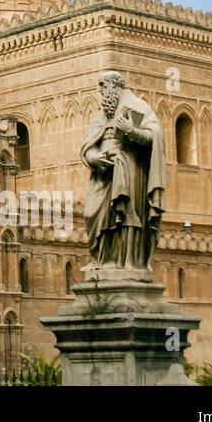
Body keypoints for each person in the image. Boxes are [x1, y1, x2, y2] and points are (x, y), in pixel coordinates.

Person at [80, 71, 166, 273]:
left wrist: (130, 130)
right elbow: (89, 146)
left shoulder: (138, 106)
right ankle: (101, 259)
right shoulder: (102, 117)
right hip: (103, 173)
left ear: (116, 87)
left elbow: (155, 137)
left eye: (104, 88)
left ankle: (126, 263)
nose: (101, 93)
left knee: (127, 216)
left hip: (129, 169)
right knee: (91, 212)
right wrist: (94, 157)